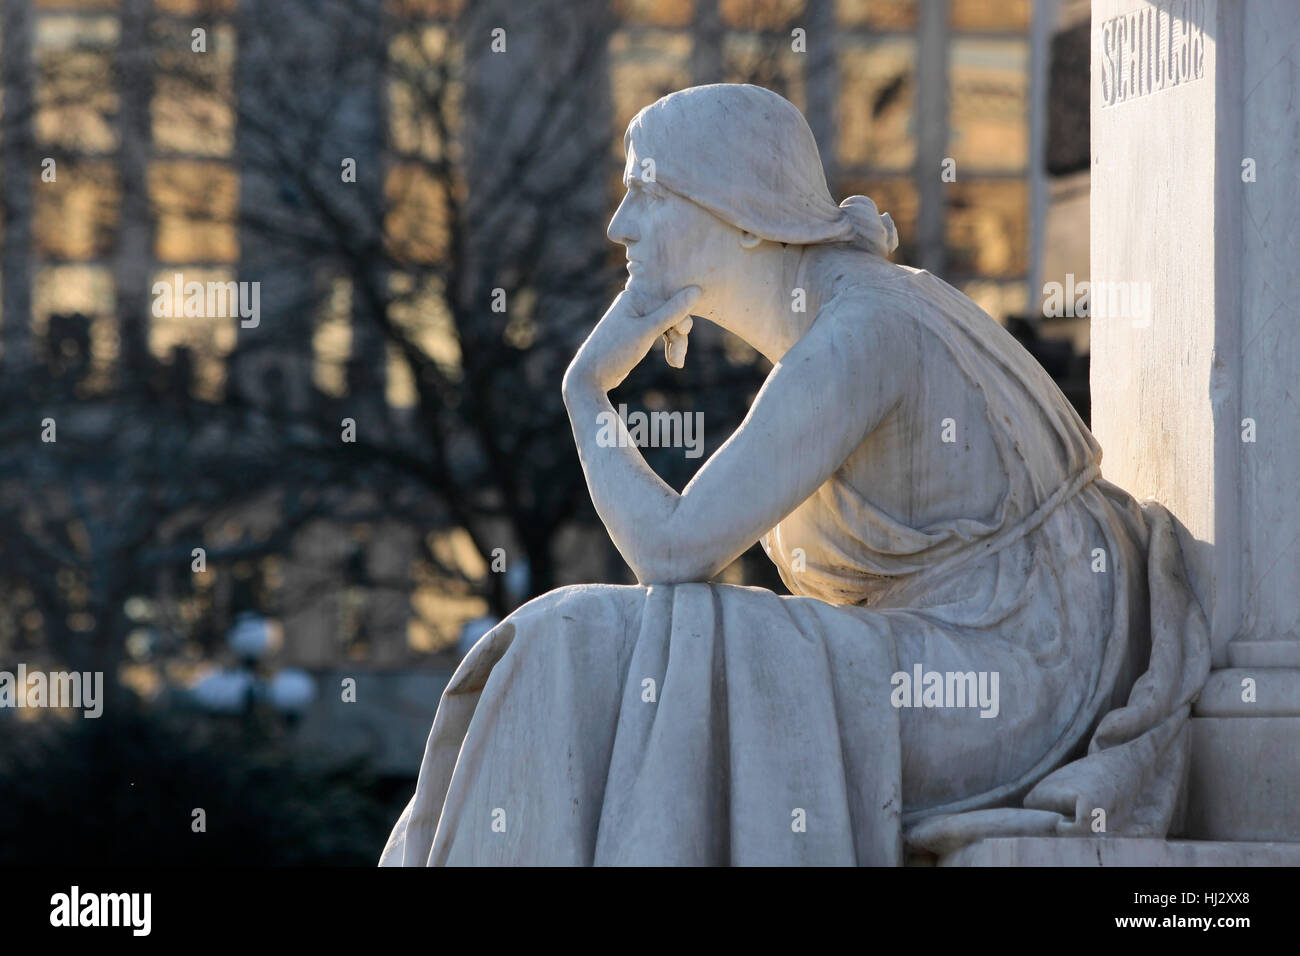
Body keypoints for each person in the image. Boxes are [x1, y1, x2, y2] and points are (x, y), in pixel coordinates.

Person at [381, 84, 1209, 866]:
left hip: (1005, 684)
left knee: (575, 641)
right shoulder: (837, 325)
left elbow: (672, 551)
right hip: (952, 656)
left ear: (743, 216)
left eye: (648, 192)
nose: (619, 226)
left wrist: (586, 392)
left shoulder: (865, 327)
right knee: (590, 645)